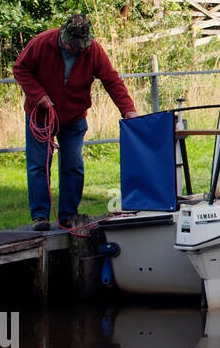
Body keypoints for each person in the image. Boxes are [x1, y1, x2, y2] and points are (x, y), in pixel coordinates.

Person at [13, 14, 138, 231]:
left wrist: (128, 110)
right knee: (38, 165)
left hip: (74, 116)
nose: (75, 49)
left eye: (79, 47)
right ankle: (40, 216)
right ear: (63, 36)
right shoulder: (41, 43)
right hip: (40, 114)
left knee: (74, 165)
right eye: (71, 45)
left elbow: (112, 80)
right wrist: (38, 95)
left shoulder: (93, 51)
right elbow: (20, 69)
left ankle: (69, 215)